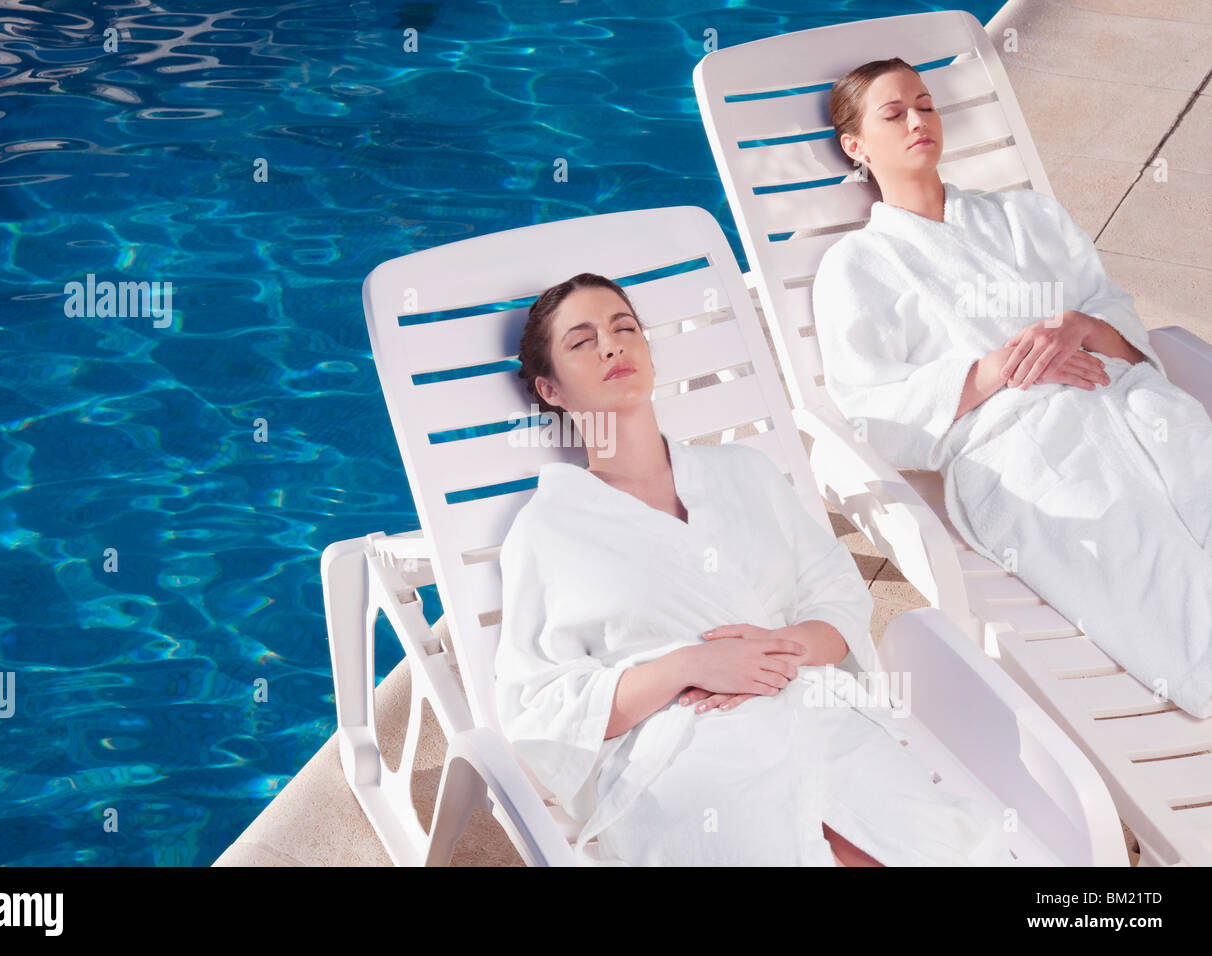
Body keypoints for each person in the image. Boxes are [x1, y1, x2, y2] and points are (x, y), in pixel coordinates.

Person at [493, 271, 1014, 866]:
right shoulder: (551, 528)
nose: (612, 345)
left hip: (807, 709)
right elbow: (537, 709)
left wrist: (781, 647)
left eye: (624, 328)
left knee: (923, 848)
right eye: (582, 342)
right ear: (551, 390)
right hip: (683, 752)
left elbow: (838, 599)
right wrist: (687, 665)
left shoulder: (744, 473)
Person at [812, 58, 1212, 718]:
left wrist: (1079, 326)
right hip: (1023, 451)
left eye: (926, 104)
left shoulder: (1029, 215)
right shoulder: (856, 266)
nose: (918, 120)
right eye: (894, 113)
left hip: (1133, 404)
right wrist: (999, 368)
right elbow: (871, 410)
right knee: (1138, 553)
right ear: (855, 147)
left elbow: (1116, 313)